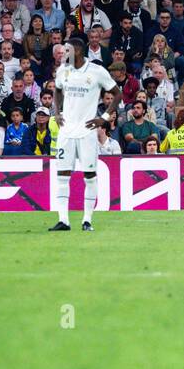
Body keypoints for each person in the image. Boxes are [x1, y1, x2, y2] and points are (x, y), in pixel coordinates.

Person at [51, 37, 118, 233]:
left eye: (68, 50)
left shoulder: (96, 71)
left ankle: (87, 220)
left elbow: (117, 93)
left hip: (87, 131)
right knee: (62, 175)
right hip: (66, 131)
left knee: (89, 176)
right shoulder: (63, 70)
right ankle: (63, 220)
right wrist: (57, 112)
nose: (64, 54)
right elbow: (57, 89)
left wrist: (103, 118)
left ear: (78, 50)